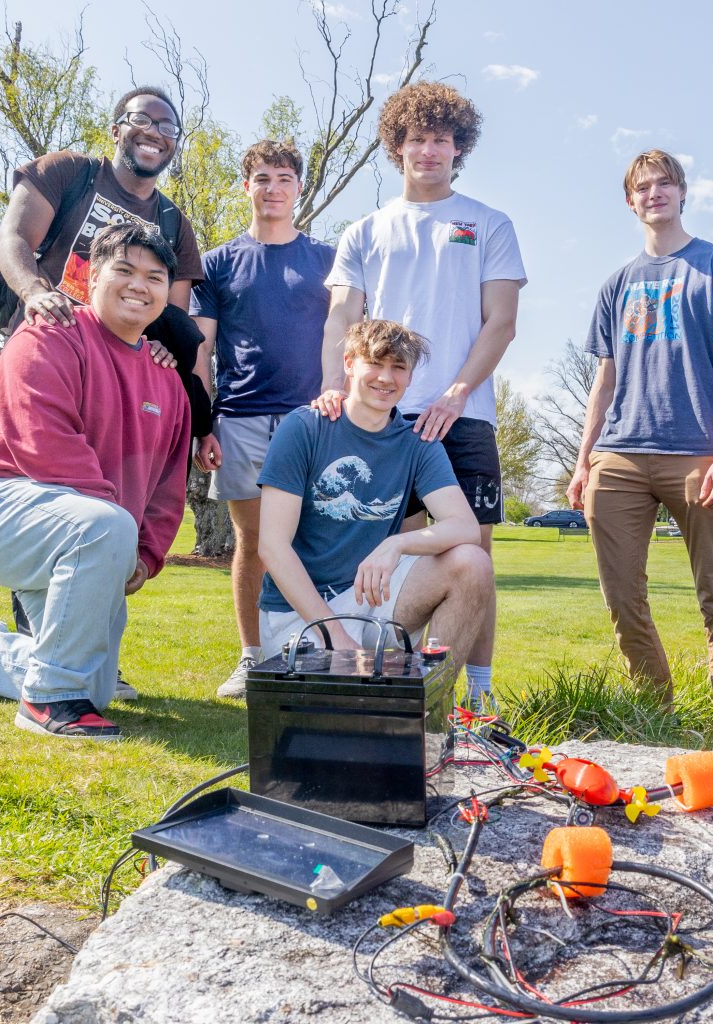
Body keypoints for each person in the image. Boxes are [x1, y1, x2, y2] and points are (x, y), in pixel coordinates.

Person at [0, 223, 192, 741]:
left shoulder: (169, 380)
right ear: (91, 274)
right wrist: (115, 533)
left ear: (168, 292)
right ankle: (46, 703)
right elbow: (42, 440)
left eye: (155, 276)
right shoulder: (50, 332)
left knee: (92, 686)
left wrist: (145, 554)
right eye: (123, 270)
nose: (138, 285)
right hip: (0, 505)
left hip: (84, 528)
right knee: (67, 668)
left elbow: (169, 481)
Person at [0, 85, 222, 699]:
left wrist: (196, 412)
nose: (154, 131)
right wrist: (35, 293)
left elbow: (174, 323)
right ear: (117, 127)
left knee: (114, 491)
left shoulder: (173, 222)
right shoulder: (68, 172)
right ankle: (58, 654)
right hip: (54, 351)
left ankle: (55, 652)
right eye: (141, 120)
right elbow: (12, 241)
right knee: (56, 486)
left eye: (167, 125)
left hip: (122, 369)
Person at [315, 81, 525, 709]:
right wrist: (333, 385)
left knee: (472, 560)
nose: (428, 150)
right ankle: (398, 695)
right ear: (395, 146)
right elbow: (340, 320)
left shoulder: (489, 223)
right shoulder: (365, 230)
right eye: (416, 139)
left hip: (462, 417)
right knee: (400, 562)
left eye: (441, 139)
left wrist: (458, 392)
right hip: (384, 417)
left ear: (458, 147)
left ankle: (476, 702)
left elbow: (502, 322)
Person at [567, 149, 713, 716]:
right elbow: (602, 383)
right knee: (622, 600)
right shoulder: (616, 285)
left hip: (695, 457)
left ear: (682, 193)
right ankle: (656, 713)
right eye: (643, 187)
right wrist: (583, 463)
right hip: (619, 457)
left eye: (665, 184)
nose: (654, 193)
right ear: (630, 202)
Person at [258, 320, 494, 683]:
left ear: (410, 378)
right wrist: (334, 636)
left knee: (471, 563)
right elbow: (272, 547)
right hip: (298, 614)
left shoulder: (417, 443)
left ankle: (428, 709)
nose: (386, 378)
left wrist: (396, 544)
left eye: (398, 367)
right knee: (333, 731)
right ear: (350, 364)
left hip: (370, 597)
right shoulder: (304, 428)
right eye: (376, 363)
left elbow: (465, 527)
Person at [189, 140, 337, 697]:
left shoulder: (328, 260)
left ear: (299, 187)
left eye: (283, 178)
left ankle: (320, 650)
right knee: (252, 542)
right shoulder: (218, 263)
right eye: (261, 178)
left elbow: (347, 340)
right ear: (245, 187)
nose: (272, 188)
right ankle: (253, 657)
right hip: (242, 418)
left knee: (315, 540)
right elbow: (201, 350)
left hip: (314, 420)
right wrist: (205, 423)